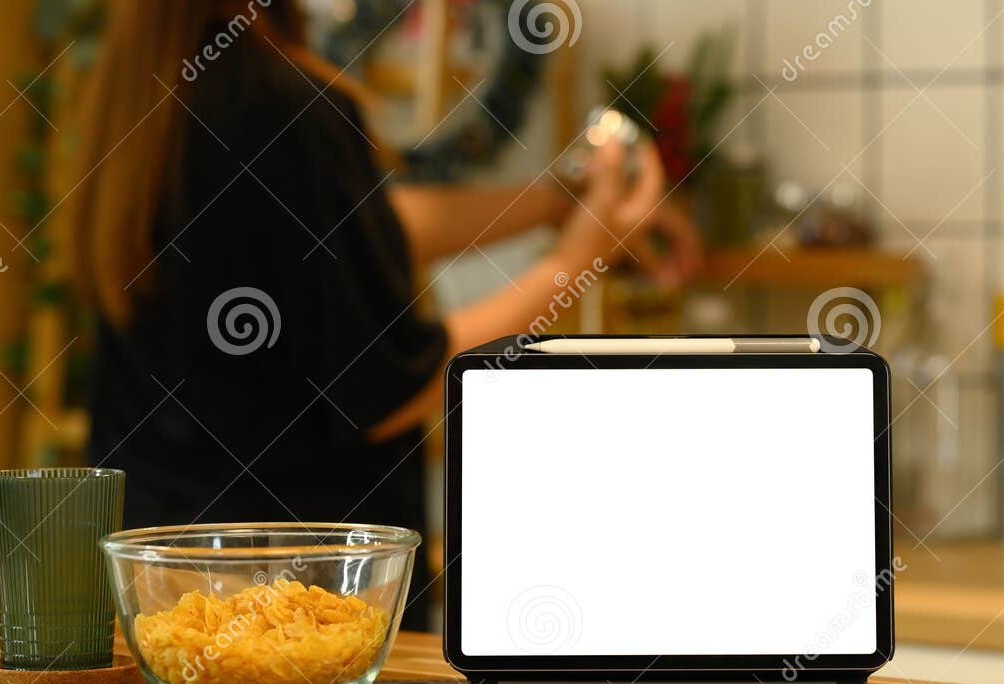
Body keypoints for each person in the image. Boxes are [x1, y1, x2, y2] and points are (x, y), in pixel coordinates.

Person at [69, 0, 700, 629]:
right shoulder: (291, 107)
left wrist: (558, 204)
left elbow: (353, 232)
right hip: (302, 608)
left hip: (163, 595)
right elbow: (386, 387)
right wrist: (573, 263)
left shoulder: (139, 99)